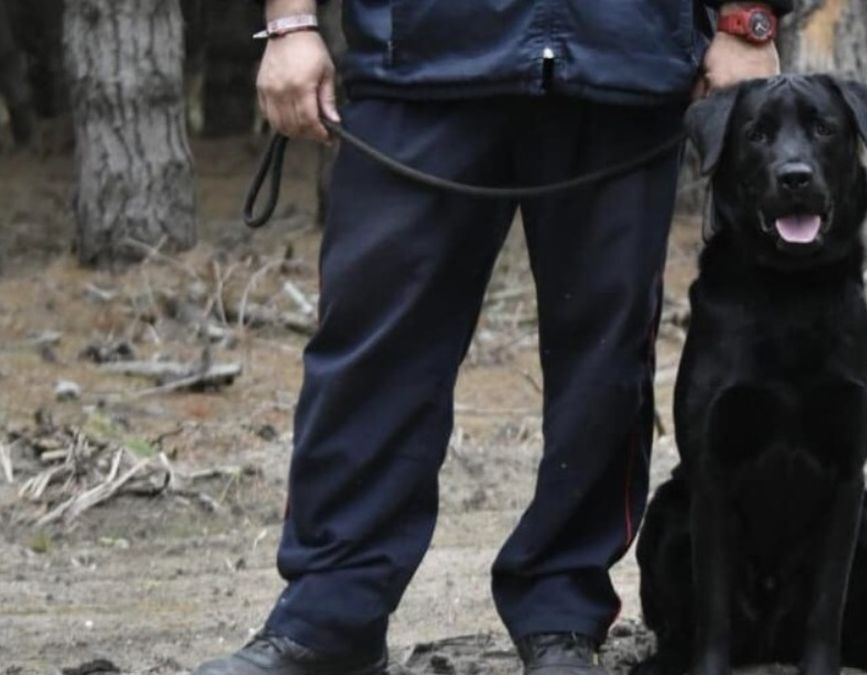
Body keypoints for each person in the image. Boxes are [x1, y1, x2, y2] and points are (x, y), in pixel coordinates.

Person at [196, 1, 792, 674]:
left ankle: (563, 610)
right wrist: (291, 23)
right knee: (373, 351)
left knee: (606, 354)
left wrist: (747, 20)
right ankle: (331, 612)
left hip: (623, 57)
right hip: (420, 55)